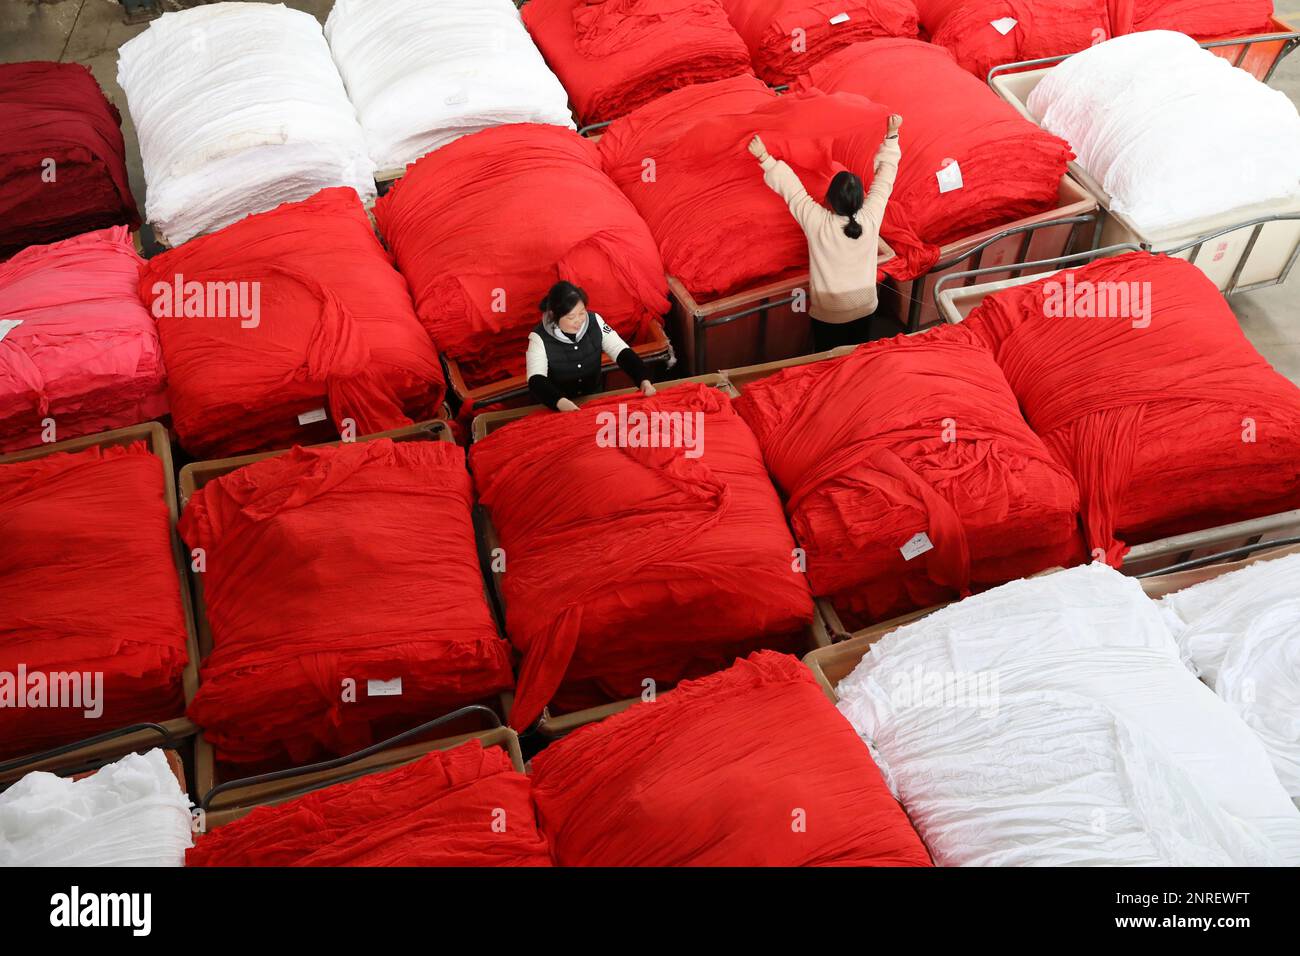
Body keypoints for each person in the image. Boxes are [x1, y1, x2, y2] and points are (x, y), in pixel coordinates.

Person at [748, 115, 903, 351]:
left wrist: (764, 157)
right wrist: (892, 135)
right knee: (855, 356)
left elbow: (793, 190)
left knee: (827, 361)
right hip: (865, 306)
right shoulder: (872, 216)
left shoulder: (818, 222)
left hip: (829, 314)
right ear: (861, 199)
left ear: (829, 199)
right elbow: (885, 178)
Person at [526, 280, 657, 412]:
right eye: (571, 317)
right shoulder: (538, 338)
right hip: (557, 407)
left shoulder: (596, 321)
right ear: (553, 315)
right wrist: (559, 402)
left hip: (595, 400)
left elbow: (621, 350)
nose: (579, 320)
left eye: (582, 313)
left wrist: (643, 379)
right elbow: (536, 379)